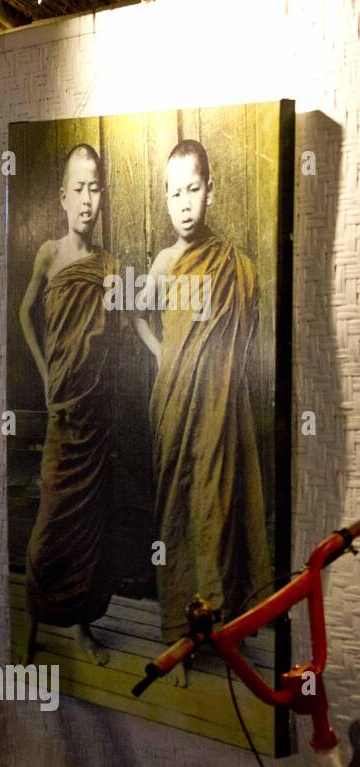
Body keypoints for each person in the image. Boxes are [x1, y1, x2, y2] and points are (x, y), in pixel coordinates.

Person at [125, 139, 272, 644]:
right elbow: (135, 314)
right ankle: (176, 631)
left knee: (215, 507)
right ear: (165, 198)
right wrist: (162, 355)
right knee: (176, 510)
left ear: (211, 190)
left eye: (193, 190)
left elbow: (243, 340)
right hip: (172, 402)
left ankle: (217, 625)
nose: (184, 204)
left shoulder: (236, 264)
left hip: (218, 408)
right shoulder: (165, 262)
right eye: (175, 193)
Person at [18, 143, 119, 665]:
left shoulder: (108, 265)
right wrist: (43, 374)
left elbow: (119, 327)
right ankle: (33, 626)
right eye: (77, 189)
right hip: (61, 409)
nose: (86, 199)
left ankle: (83, 628)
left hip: (96, 413)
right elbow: (25, 312)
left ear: (102, 195)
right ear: (62, 197)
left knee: (90, 527)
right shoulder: (49, 254)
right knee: (50, 525)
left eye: (94, 188)